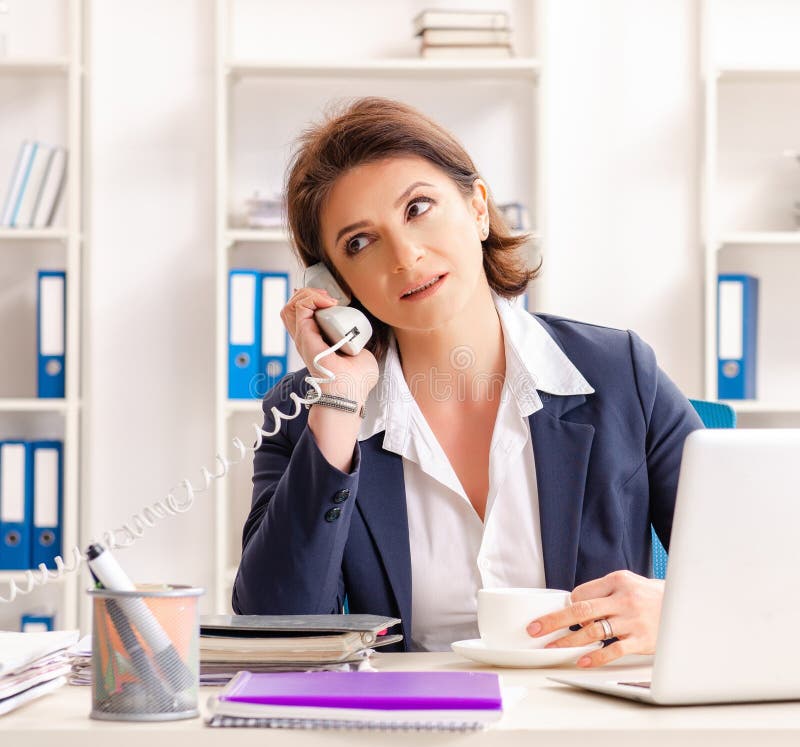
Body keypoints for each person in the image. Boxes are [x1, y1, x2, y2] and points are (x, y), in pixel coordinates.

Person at [232, 97, 703, 667]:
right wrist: (338, 400)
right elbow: (278, 632)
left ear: (478, 208)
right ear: (333, 282)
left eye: (418, 207)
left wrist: (673, 609)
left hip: (589, 718)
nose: (405, 256)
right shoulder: (309, 409)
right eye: (360, 242)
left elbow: (757, 571)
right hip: (414, 725)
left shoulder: (619, 372)